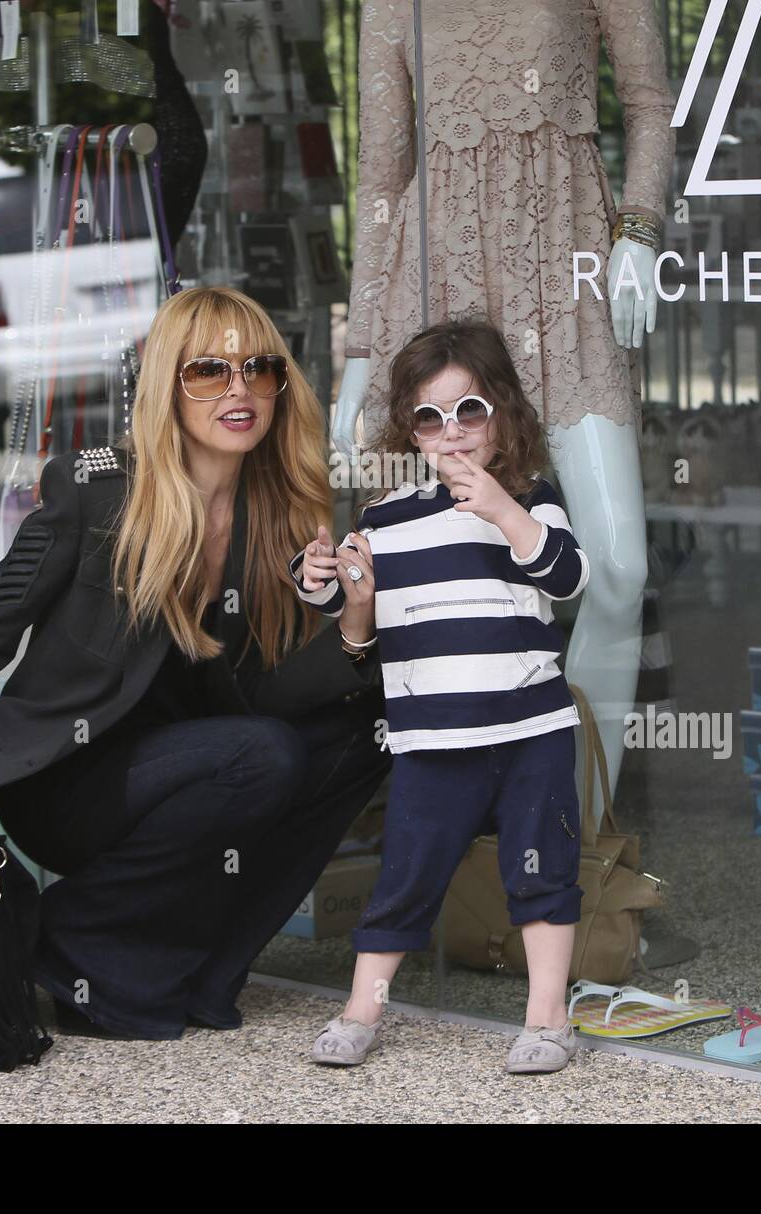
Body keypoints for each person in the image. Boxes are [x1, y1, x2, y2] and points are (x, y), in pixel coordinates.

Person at [0, 285, 389, 1040]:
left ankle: (208, 970)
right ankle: (63, 937)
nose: (239, 389)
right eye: (207, 372)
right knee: (263, 755)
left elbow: (260, 694)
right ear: (167, 384)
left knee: (364, 733)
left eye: (259, 369)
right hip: (66, 778)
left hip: (189, 761)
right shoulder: (96, 492)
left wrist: (353, 631)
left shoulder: (282, 510)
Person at [294, 319, 589, 1073]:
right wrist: (321, 580)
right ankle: (364, 1008)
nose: (452, 431)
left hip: (531, 729)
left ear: (504, 415)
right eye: (431, 416)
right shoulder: (387, 519)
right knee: (408, 871)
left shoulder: (530, 499)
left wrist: (499, 507)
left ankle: (548, 1019)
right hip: (431, 737)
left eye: (471, 411)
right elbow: (356, 614)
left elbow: (566, 576)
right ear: (411, 430)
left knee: (541, 868)